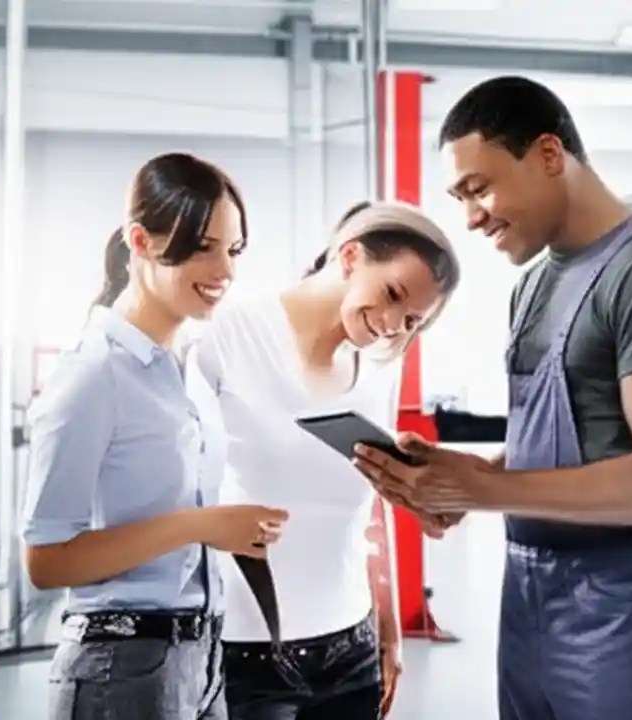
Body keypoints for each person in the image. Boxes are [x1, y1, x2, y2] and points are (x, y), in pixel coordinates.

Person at [353, 76, 632, 720]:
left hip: (626, 613)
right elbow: (565, 445)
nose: (470, 217)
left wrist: (482, 490)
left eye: (480, 188)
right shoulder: (532, 288)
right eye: (460, 197)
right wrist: (450, 481)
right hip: (528, 598)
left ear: (549, 155)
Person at [22, 152, 290, 720]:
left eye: (233, 249)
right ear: (140, 242)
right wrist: (202, 526)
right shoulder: (95, 373)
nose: (225, 271)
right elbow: (45, 561)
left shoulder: (183, 368)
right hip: (119, 668)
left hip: (200, 659)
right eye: (202, 247)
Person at [190, 200, 461, 720]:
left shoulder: (380, 368)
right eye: (391, 295)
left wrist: (389, 627)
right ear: (351, 255)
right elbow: (179, 490)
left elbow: (372, 509)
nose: (390, 325)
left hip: (350, 648)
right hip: (246, 649)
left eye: (410, 320)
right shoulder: (229, 333)